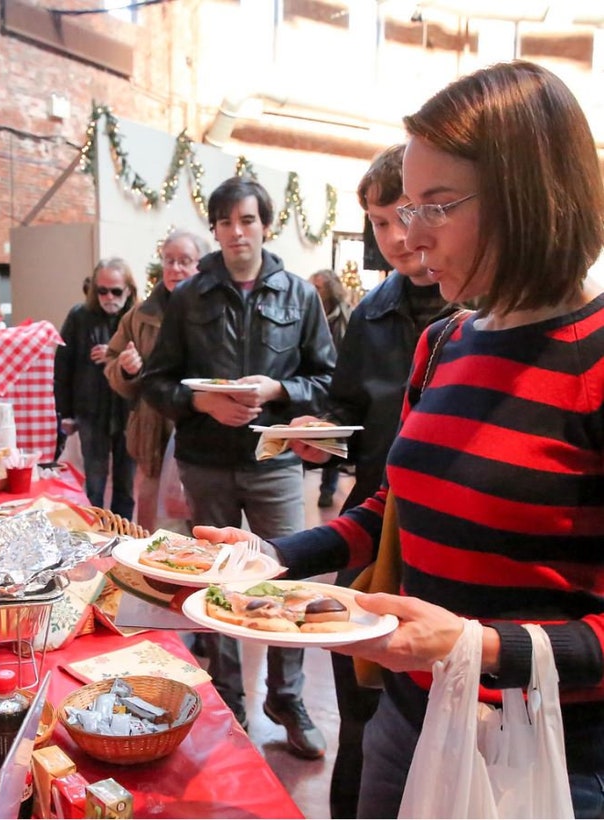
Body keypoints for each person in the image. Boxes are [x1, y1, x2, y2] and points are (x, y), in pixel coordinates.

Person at [214, 61, 604, 818]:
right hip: (408, 715)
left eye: (436, 206)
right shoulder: (446, 341)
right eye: (403, 207)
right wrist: (277, 558)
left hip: (543, 751)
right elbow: (399, 503)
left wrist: (477, 647)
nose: (410, 236)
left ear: (528, 197)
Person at [140, 175, 336, 759]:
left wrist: (277, 387)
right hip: (205, 459)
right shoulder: (189, 296)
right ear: (216, 230)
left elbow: (326, 379)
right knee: (215, 576)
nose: (235, 232)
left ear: (265, 226)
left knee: (288, 573)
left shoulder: (299, 295)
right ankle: (229, 697)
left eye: (246, 220)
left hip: (273, 459)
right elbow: (155, 381)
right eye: (225, 222)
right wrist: (200, 400)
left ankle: (287, 695)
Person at [295, 145, 451, 818]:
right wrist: (316, 436)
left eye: (408, 216)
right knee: (364, 724)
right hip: (375, 533)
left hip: (448, 556)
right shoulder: (374, 315)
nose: (399, 239)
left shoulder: (477, 318)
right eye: (381, 223)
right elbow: (351, 419)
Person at [105, 230, 209, 531]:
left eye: (184, 261)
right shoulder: (140, 316)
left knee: (203, 530)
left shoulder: (216, 311)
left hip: (205, 438)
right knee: (156, 533)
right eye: (169, 260)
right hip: (152, 438)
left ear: (201, 265)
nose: (175, 268)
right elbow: (113, 362)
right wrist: (126, 369)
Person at [55, 258, 138, 520]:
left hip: (129, 410)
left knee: (126, 484)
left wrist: (115, 355)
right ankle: (95, 537)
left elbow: (152, 359)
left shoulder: (138, 317)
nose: (108, 297)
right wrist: (65, 413)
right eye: (102, 290)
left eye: (115, 291)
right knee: (95, 483)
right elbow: (63, 366)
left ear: (128, 290)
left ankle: (124, 537)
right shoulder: (80, 316)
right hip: (90, 411)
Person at [308, 268, 354, 508]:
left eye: (319, 287)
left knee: (332, 435)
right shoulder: (312, 313)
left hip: (339, 381)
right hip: (320, 384)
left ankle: (328, 489)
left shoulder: (345, 316)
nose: (314, 291)